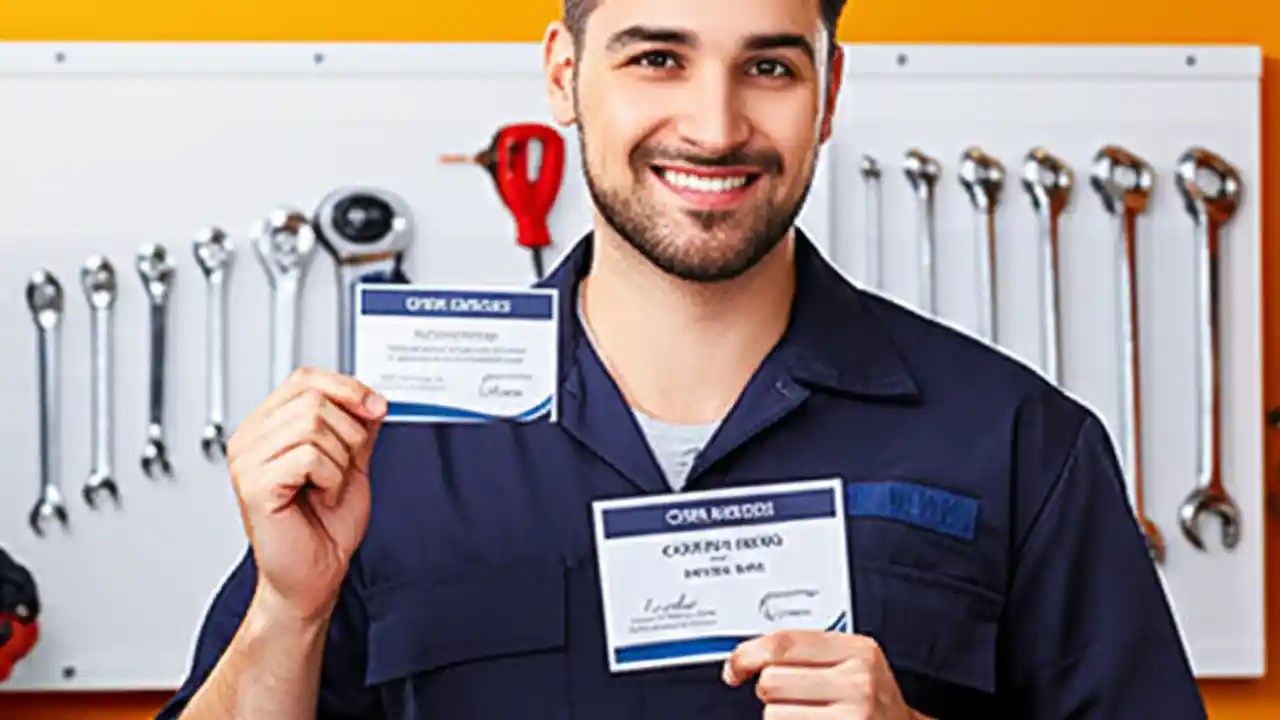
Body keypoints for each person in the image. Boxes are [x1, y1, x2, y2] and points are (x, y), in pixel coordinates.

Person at [157, 0, 1208, 717]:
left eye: (767, 66)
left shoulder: (1016, 442)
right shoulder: (390, 448)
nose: (714, 126)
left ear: (829, 92)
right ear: (564, 75)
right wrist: (287, 615)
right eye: (656, 56)